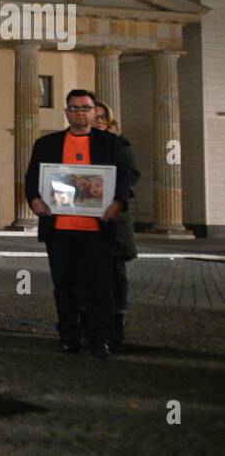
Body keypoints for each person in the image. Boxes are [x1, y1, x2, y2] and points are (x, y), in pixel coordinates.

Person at [25, 89, 131, 358]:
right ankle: (69, 335)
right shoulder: (46, 144)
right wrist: (35, 200)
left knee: (100, 286)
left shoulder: (110, 143)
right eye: (74, 108)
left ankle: (100, 339)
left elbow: (123, 179)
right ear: (66, 112)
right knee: (64, 286)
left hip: (97, 228)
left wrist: (117, 203)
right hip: (59, 228)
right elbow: (31, 179)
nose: (79, 113)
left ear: (95, 111)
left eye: (85, 108)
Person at [93, 101, 140, 349]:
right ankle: (92, 323)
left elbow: (132, 174)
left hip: (115, 215)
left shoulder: (121, 145)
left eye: (103, 117)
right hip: (87, 214)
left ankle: (117, 322)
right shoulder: (82, 144)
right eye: (95, 116)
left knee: (116, 272)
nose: (99, 120)